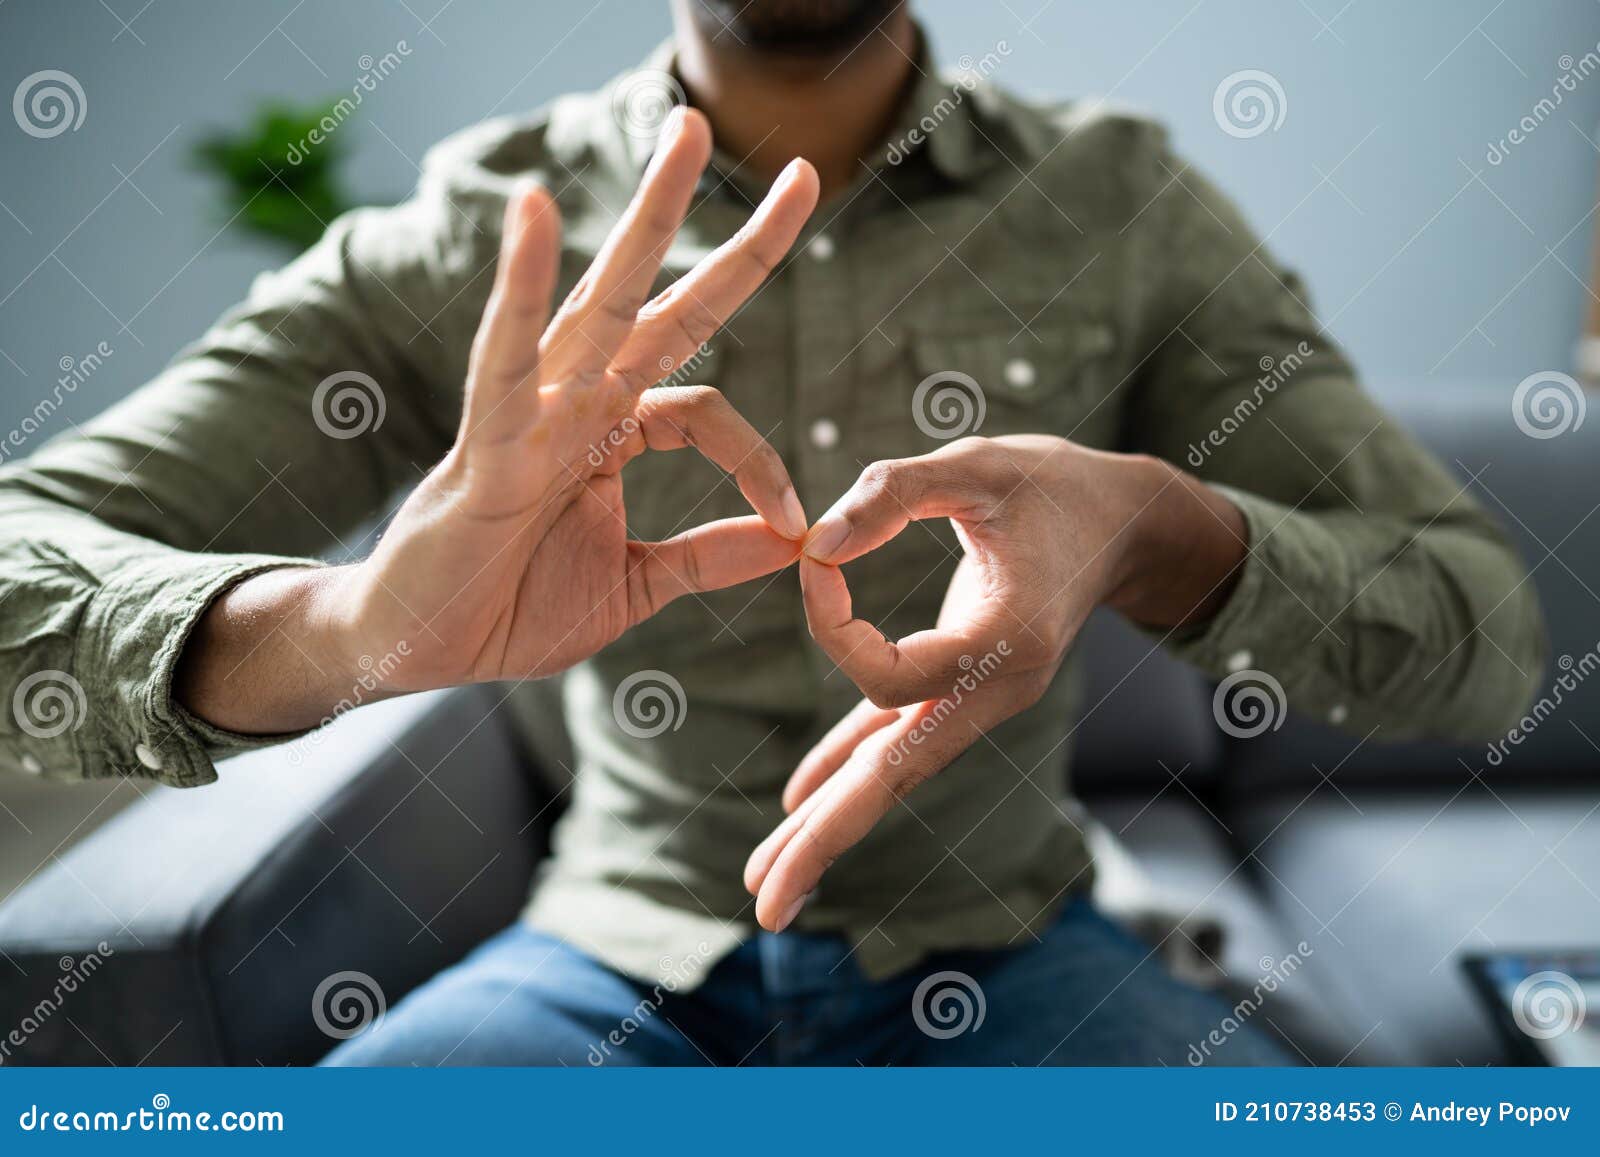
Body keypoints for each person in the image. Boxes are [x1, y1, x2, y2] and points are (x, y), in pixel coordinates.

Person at [0, 0, 1544, 1066]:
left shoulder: (1121, 203)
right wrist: (344, 632)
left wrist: (1158, 526)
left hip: (1024, 947)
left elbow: (1488, 637)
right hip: (607, 962)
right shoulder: (479, 234)